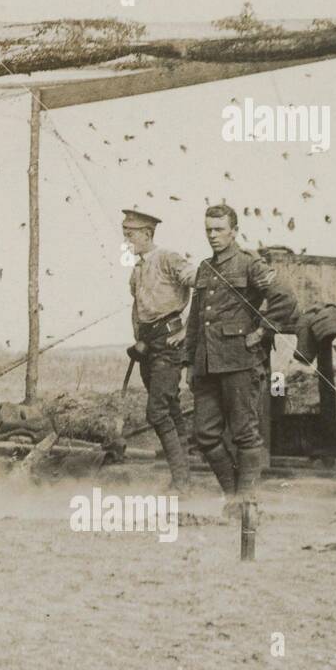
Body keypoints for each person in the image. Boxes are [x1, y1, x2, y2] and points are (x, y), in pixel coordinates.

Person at [183, 204, 297, 515]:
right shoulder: (206, 267)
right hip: (207, 363)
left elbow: (285, 296)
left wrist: (262, 331)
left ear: (234, 231)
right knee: (205, 433)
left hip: (240, 361)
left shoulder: (249, 264)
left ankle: (244, 501)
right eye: (208, 229)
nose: (213, 235)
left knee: (245, 432)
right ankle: (235, 495)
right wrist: (189, 361)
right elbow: (195, 318)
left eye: (219, 229)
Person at [122, 209, 196, 491]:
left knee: (157, 411)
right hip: (148, 346)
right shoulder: (138, 268)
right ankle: (183, 478)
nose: (126, 242)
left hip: (168, 344)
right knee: (171, 408)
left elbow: (202, 285)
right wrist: (139, 337)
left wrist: (187, 330)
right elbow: (137, 306)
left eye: (130, 236)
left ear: (147, 234)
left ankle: (180, 481)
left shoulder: (168, 258)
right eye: (124, 235)